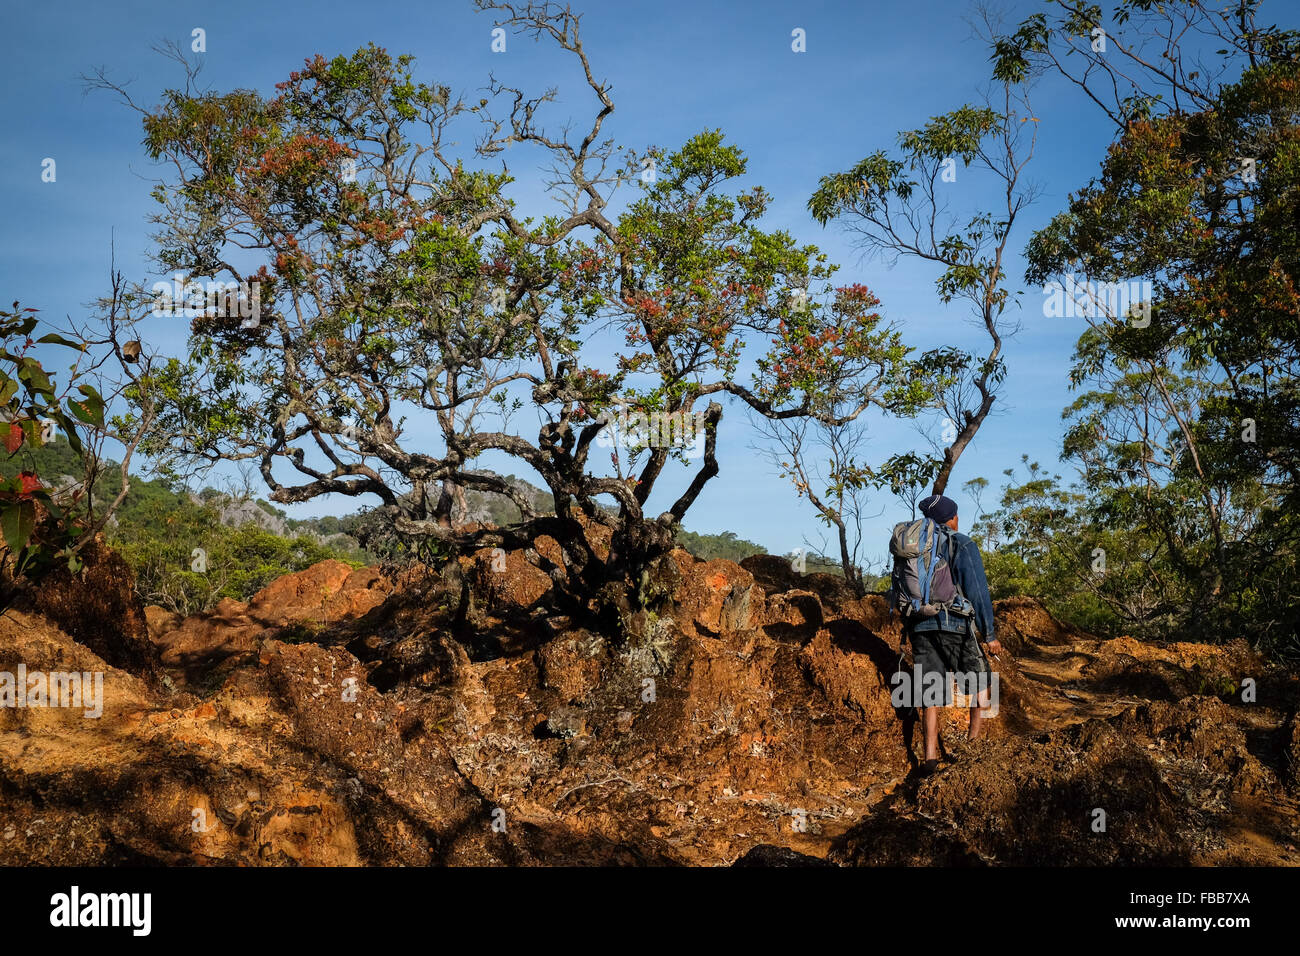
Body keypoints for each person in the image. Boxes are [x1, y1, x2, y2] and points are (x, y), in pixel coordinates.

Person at [905, 493, 1001, 776]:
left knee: (930, 692)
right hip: (955, 623)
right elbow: (978, 591)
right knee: (981, 682)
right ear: (952, 518)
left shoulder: (914, 546)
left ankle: (930, 760)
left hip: (920, 625)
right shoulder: (962, 543)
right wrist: (989, 633)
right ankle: (972, 750)